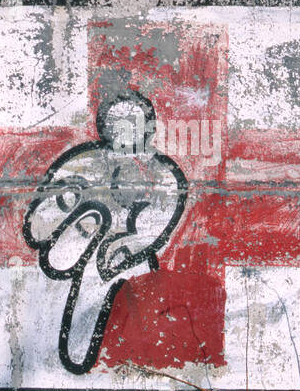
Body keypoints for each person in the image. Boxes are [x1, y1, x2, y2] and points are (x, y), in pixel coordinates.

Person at [23, 91, 187, 374]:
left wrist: (124, 248)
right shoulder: (82, 163)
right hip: (85, 249)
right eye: (117, 123)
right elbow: (40, 220)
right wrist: (62, 208)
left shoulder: (162, 174)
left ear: (147, 128)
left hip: (124, 259)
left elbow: (155, 227)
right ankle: (66, 357)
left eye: (131, 123)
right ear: (104, 127)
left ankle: (140, 361)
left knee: (137, 307)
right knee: (81, 282)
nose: (124, 131)